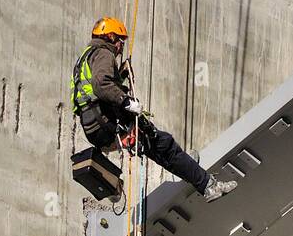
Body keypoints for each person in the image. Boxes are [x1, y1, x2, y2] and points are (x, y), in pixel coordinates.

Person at [71, 17, 237, 202]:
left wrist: (121, 76)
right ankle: (208, 186)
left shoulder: (85, 57)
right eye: (119, 41)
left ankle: (188, 167)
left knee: (159, 147)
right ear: (110, 36)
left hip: (94, 127)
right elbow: (101, 84)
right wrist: (125, 101)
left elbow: (94, 89)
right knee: (164, 145)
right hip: (107, 122)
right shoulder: (104, 53)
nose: (120, 47)